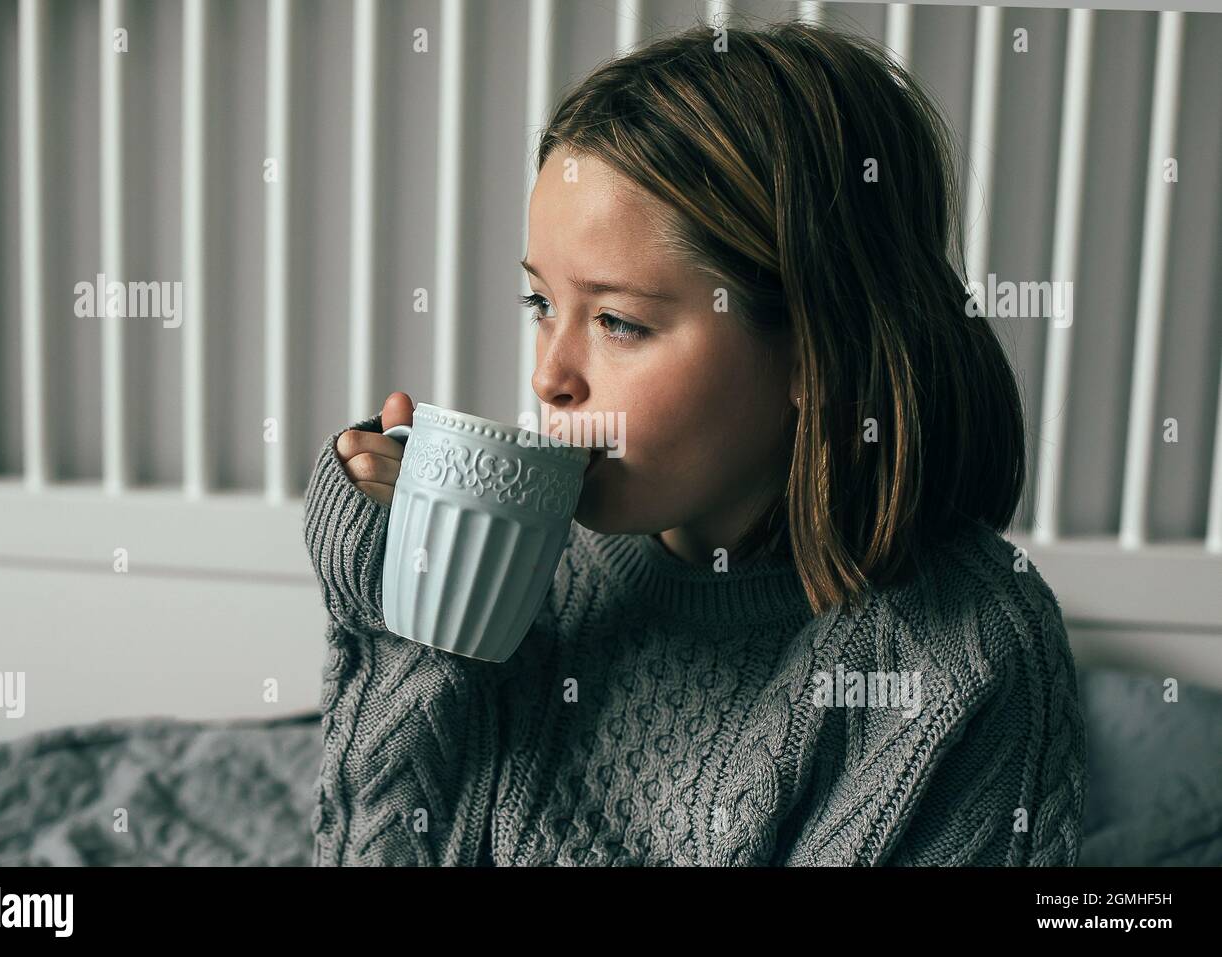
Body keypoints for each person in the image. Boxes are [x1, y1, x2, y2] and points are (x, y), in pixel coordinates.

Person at [303, 19, 1086, 866]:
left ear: (815, 353)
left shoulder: (962, 657)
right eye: (540, 305)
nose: (549, 377)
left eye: (617, 321)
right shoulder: (529, 577)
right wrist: (404, 609)